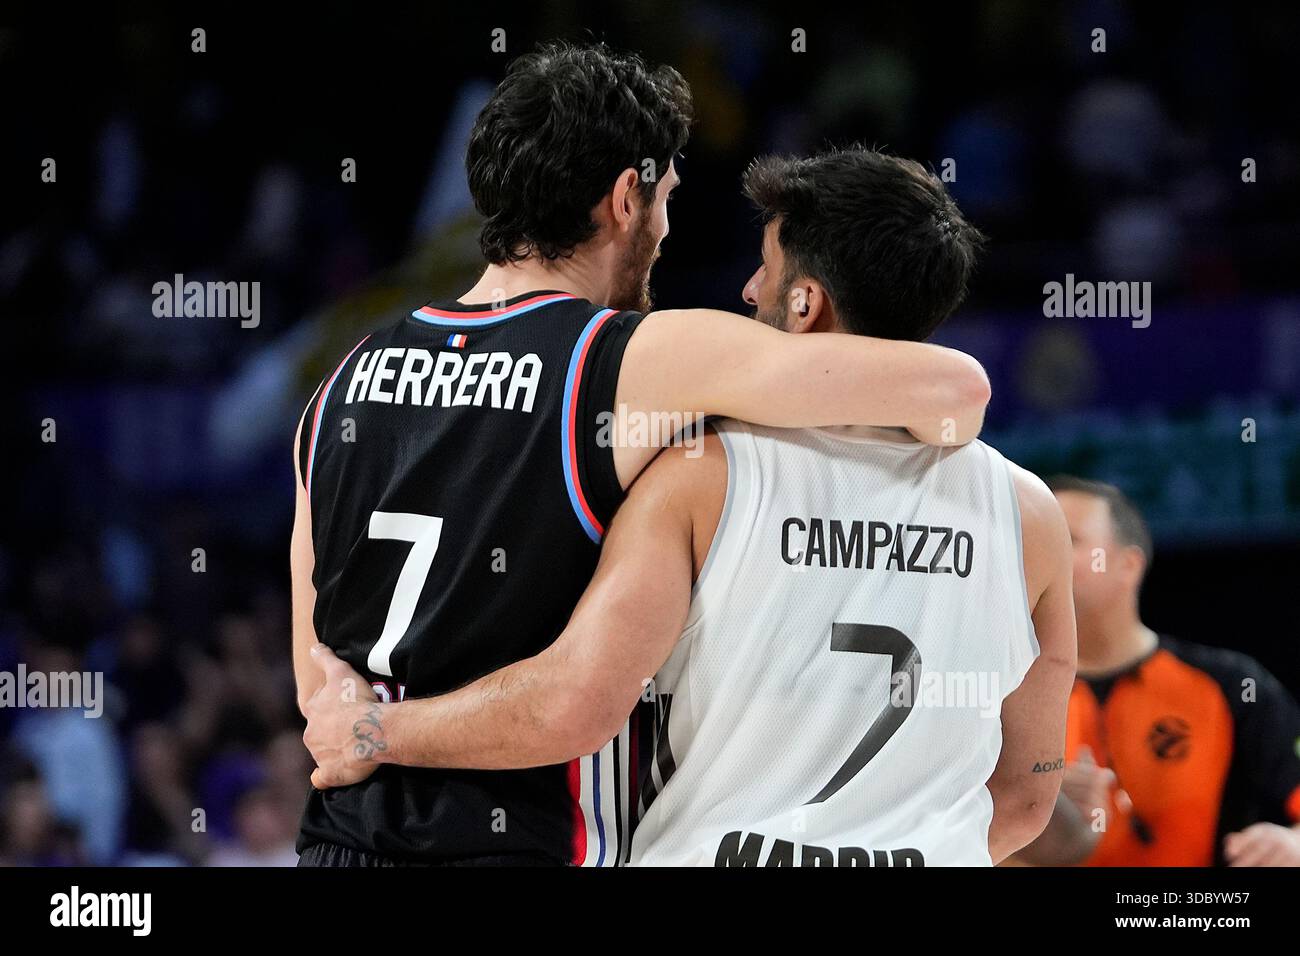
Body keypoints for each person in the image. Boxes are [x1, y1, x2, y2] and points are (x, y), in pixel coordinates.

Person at [292, 46, 990, 867]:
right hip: (520, 844)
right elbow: (953, 393)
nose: (663, 230)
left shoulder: (342, 377)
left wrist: (366, 729)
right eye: (664, 199)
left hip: (337, 843)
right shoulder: (628, 359)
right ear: (626, 198)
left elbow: (317, 664)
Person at [1010, 476, 1300, 866]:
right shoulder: (1000, 691)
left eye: (1067, 539)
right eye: (1026, 543)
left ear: (1129, 564)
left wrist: (1291, 844)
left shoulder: (1231, 685)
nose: (1036, 556)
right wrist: (1041, 823)